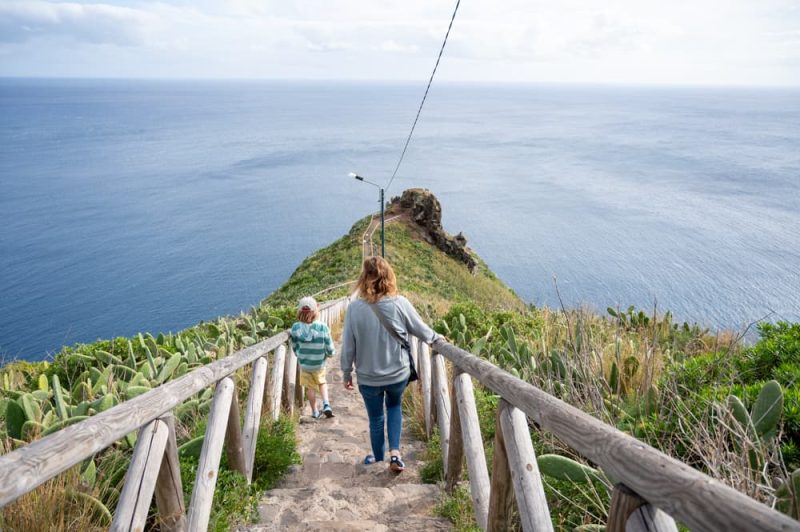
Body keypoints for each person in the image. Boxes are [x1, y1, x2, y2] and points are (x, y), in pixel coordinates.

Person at [340, 256, 440, 472]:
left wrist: (346, 373)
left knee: (376, 419)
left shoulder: (354, 309)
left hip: (368, 377)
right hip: (397, 374)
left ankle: (377, 461)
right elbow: (422, 330)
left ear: (364, 279)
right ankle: (395, 454)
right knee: (394, 406)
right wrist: (437, 339)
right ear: (389, 276)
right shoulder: (400, 303)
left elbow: (348, 345)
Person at [291, 296, 336, 419]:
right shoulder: (322, 327)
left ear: (299, 311)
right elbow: (328, 344)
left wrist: (298, 354)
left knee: (310, 388)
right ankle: (326, 404)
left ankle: (315, 411)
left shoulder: (295, 328)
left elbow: (294, 345)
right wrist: (331, 353)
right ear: (316, 311)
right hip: (319, 363)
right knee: (322, 383)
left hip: (305, 364)